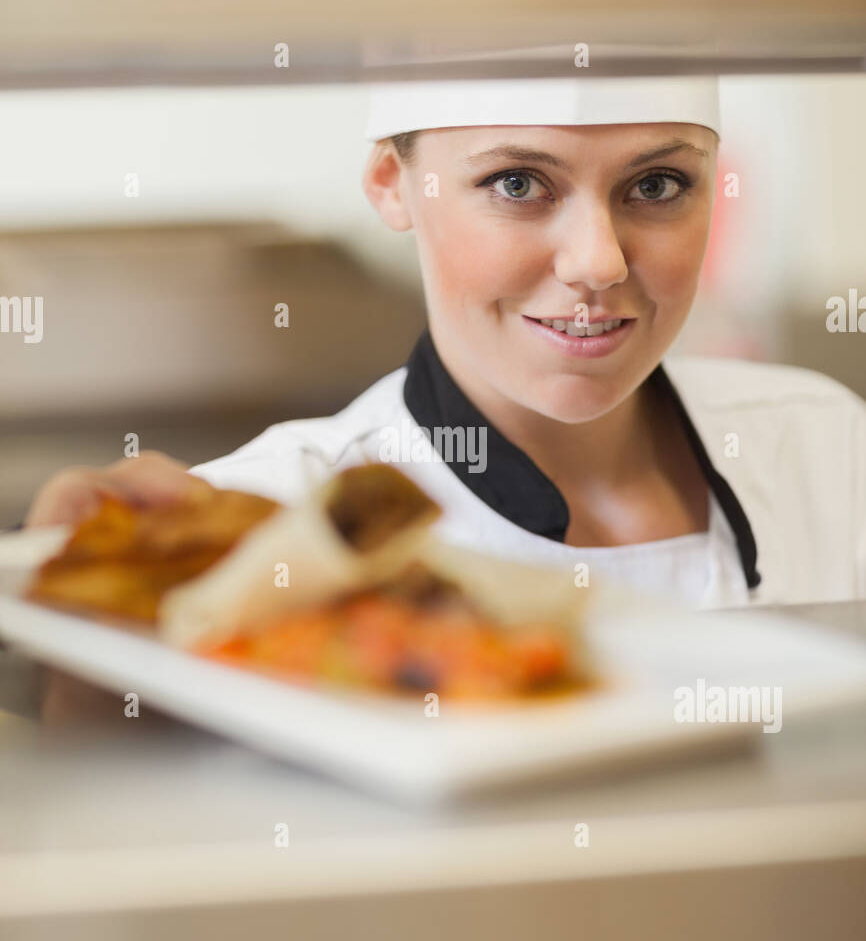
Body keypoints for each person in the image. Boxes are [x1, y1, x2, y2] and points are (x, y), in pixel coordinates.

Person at [25, 75, 866, 608]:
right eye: (517, 183)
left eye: (657, 184)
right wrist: (96, 649)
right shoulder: (258, 529)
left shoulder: (828, 445)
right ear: (394, 185)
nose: (598, 262)